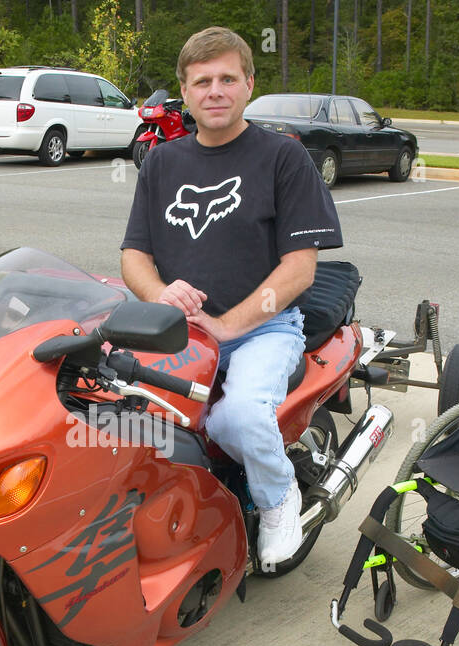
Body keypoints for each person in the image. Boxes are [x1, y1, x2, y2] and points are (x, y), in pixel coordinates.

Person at [120, 26, 343, 565]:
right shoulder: (162, 162)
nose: (214, 91)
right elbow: (134, 257)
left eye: (226, 79)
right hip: (182, 330)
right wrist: (159, 291)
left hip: (264, 329)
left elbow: (299, 270)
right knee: (118, 412)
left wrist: (230, 326)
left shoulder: (283, 159)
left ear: (248, 84)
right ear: (185, 91)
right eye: (202, 81)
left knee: (237, 416)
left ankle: (278, 498)